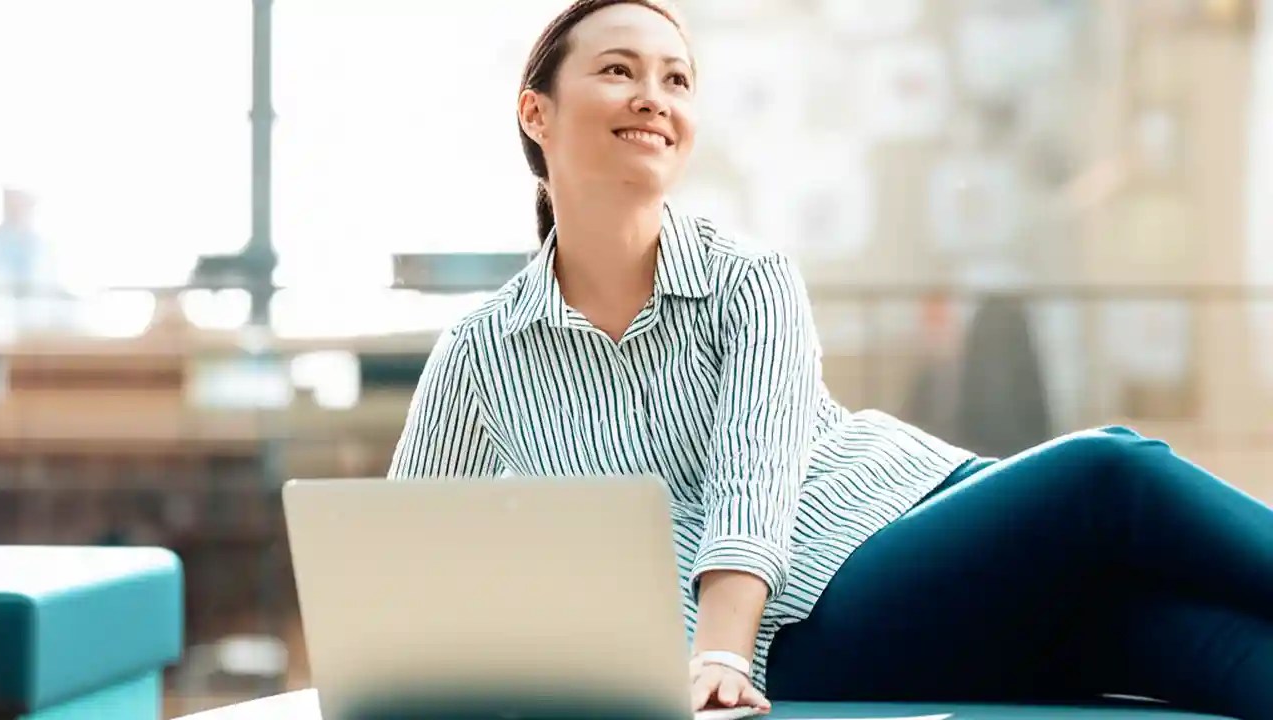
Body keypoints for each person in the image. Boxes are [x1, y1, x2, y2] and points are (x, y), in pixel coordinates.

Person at [388, 2, 1273, 717]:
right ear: (535, 112)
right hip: (803, 616)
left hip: (923, 509)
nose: (654, 96)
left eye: (677, 78)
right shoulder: (481, 350)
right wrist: (717, 656)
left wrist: (714, 653)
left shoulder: (750, 278)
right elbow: (399, 556)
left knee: (1169, 632)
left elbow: (762, 457)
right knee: (1107, 472)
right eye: (619, 69)